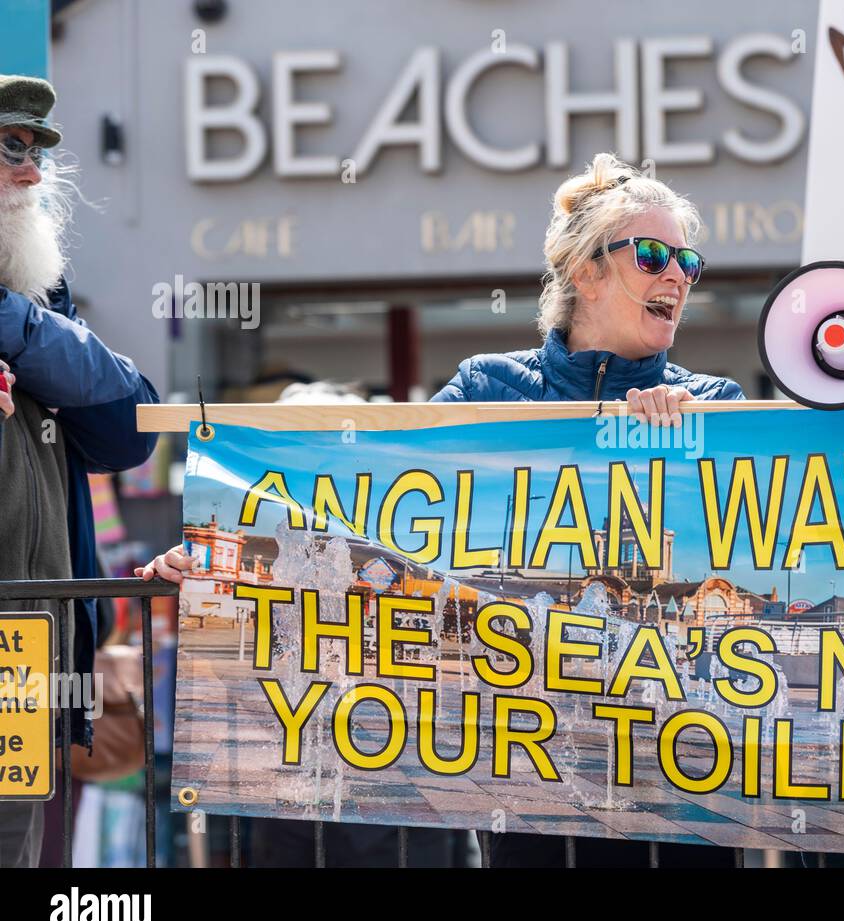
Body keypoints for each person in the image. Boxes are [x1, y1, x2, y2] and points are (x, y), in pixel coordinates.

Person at [140, 153, 745, 868]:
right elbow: (364, 511)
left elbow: (746, 555)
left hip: (670, 781)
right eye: (652, 255)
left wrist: (700, 439)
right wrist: (224, 561)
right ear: (586, 273)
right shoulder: (487, 389)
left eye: (688, 261)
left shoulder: (716, 403)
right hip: (529, 778)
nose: (677, 275)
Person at [0, 75, 159, 867]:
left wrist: (19, 324)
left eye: (34, 151)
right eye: (10, 148)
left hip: (26, 674)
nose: (31, 172)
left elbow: (134, 426)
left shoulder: (37, 299)